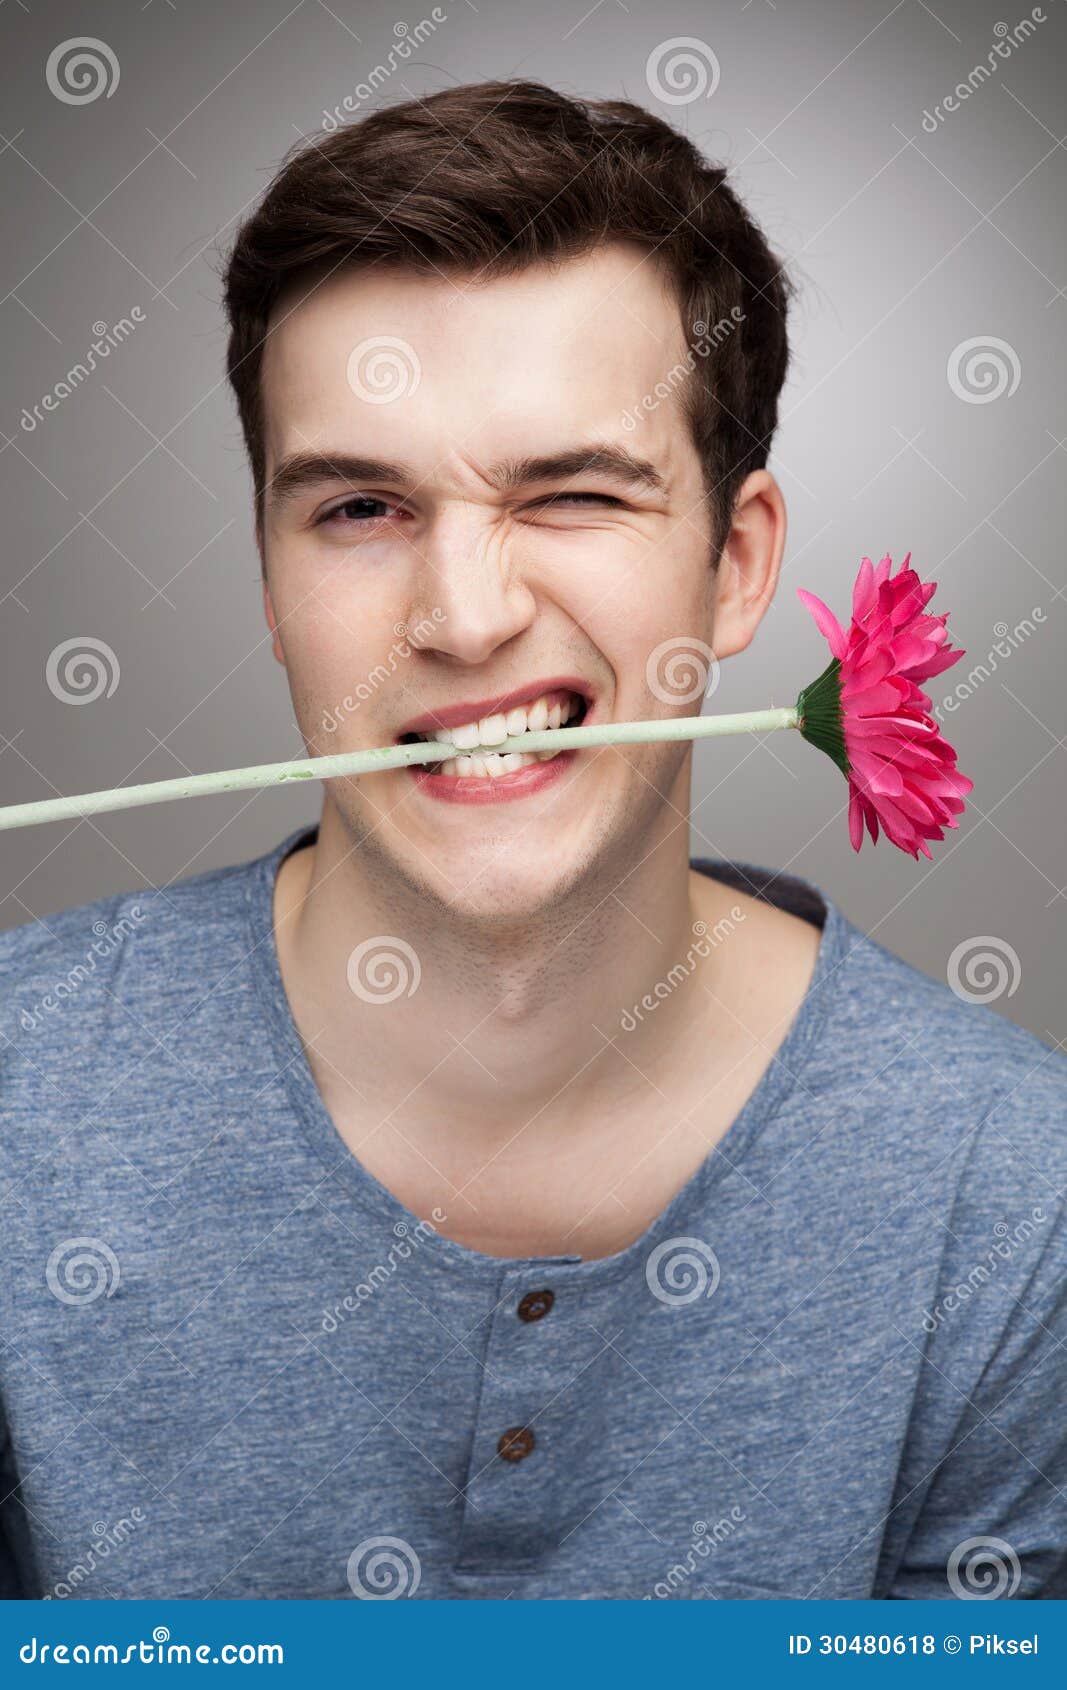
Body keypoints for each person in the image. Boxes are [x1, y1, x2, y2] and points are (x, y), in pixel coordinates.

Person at [1, 81, 1064, 1602]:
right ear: (270, 580)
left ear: (736, 564)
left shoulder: (1017, 1198)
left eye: (568, 494)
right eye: (361, 508)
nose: (463, 616)